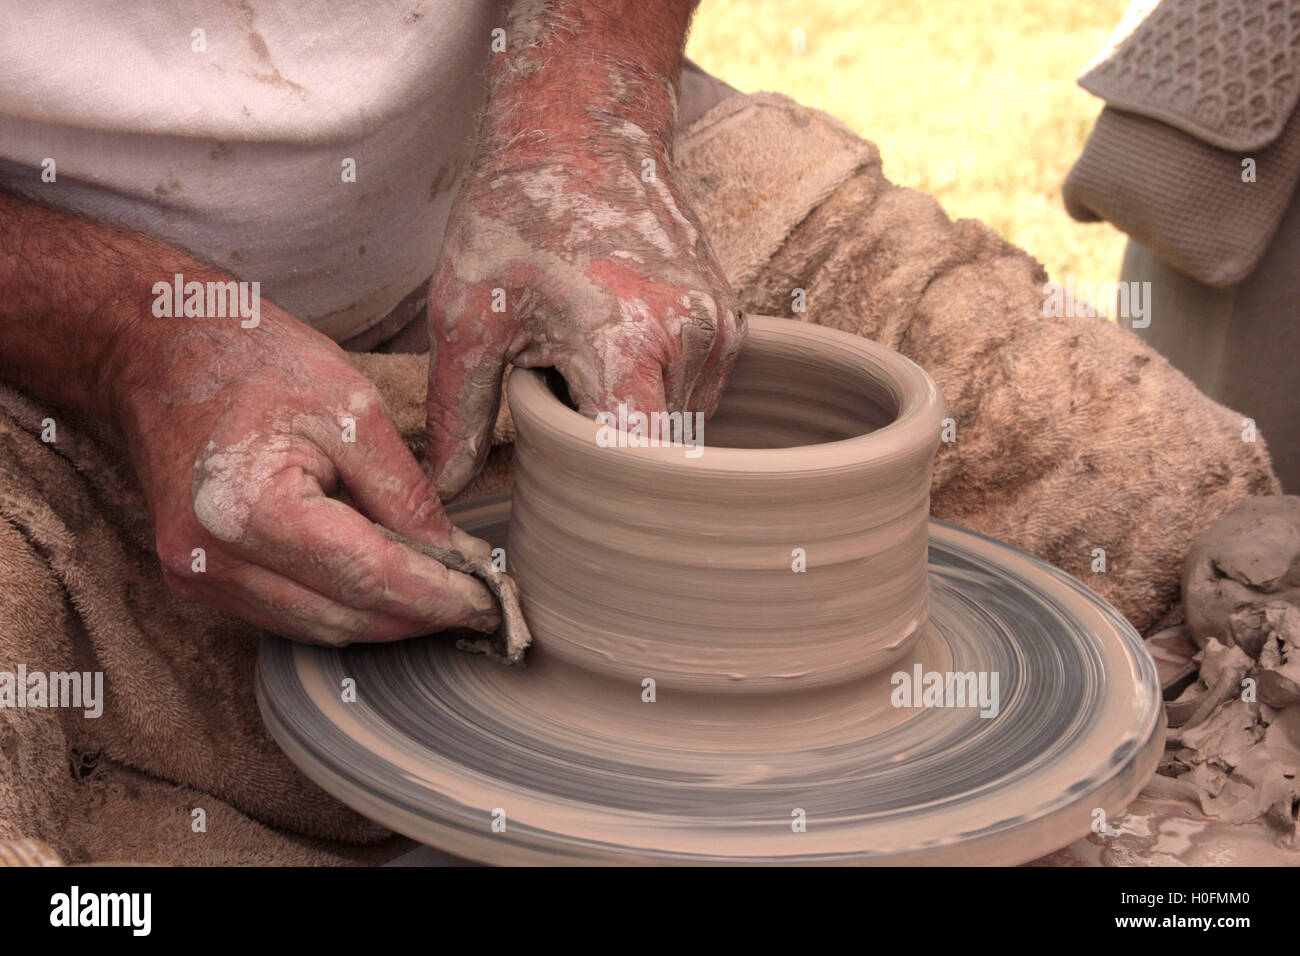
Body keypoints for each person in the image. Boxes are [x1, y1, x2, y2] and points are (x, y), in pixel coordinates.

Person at [0, 1, 744, 645]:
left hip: (526, 126)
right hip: (53, 309)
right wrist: (127, 336)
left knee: (845, 260)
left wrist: (588, 125)